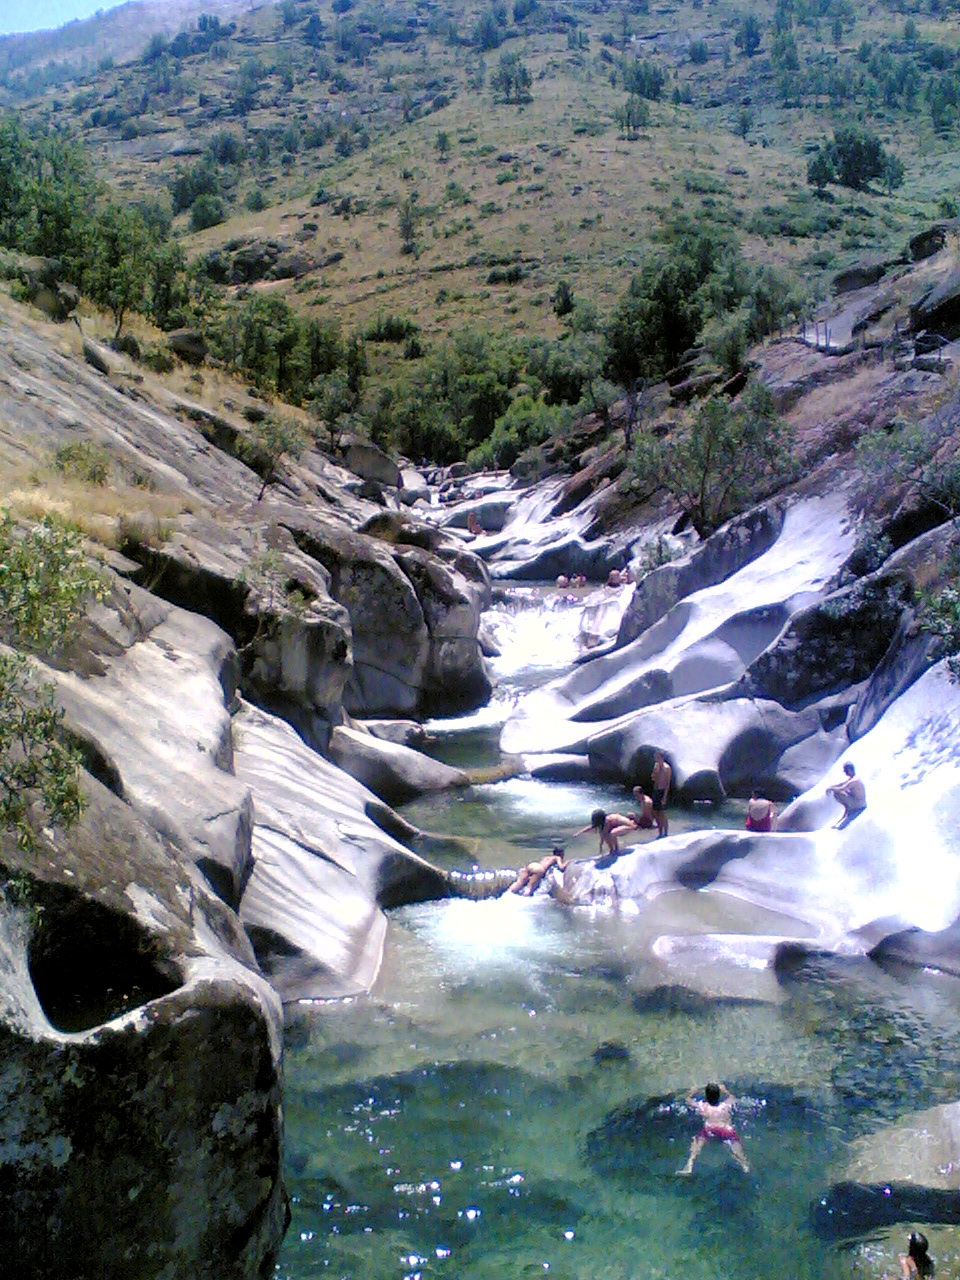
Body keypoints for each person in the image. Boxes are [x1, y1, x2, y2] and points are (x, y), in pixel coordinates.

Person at [677, 1082, 750, 1176]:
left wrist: (692, 1092)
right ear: (719, 1095)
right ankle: (744, 1165)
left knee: (696, 1143)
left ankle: (689, 1166)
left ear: (706, 1096)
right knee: (736, 1151)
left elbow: (688, 1101)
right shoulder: (725, 1105)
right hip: (726, 1130)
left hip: (710, 1130)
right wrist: (725, 1091)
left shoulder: (703, 1106)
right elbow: (733, 1098)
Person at [572, 809, 636, 859]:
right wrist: (579, 833)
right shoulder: (604, 820)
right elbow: (592, 827)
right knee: (610, 834)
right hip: (623, 826)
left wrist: (602, 845)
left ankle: (616, 850)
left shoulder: (607, 820)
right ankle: (614, 850)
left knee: (612, 833)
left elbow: (604, 834)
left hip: (630, 827)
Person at [826, 761, 867, 829]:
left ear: (850, 770)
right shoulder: (853, 778)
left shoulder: (854, 781)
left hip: (858, 804)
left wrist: (831, 789)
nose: (844, 772)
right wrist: (831, 786)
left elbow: (842, 788)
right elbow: (842, 784)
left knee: (837, 793)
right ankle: (848, 807)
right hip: (858, 802)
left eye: (846, 770)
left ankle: (851, 808)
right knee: (838, 792)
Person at [651, 750, 672, 838]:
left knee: (663, 813)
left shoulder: (667, 768)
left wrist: (665, 796)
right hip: (656, 790)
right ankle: (660, 832)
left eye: (657, 757)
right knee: (656, 812)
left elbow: (668, 783)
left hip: (662, 791)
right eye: (655, 757)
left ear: (662, 757)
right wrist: (655, 773)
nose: (656, 759)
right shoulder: (656, 765)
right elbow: (653, 778)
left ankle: (666, 833)